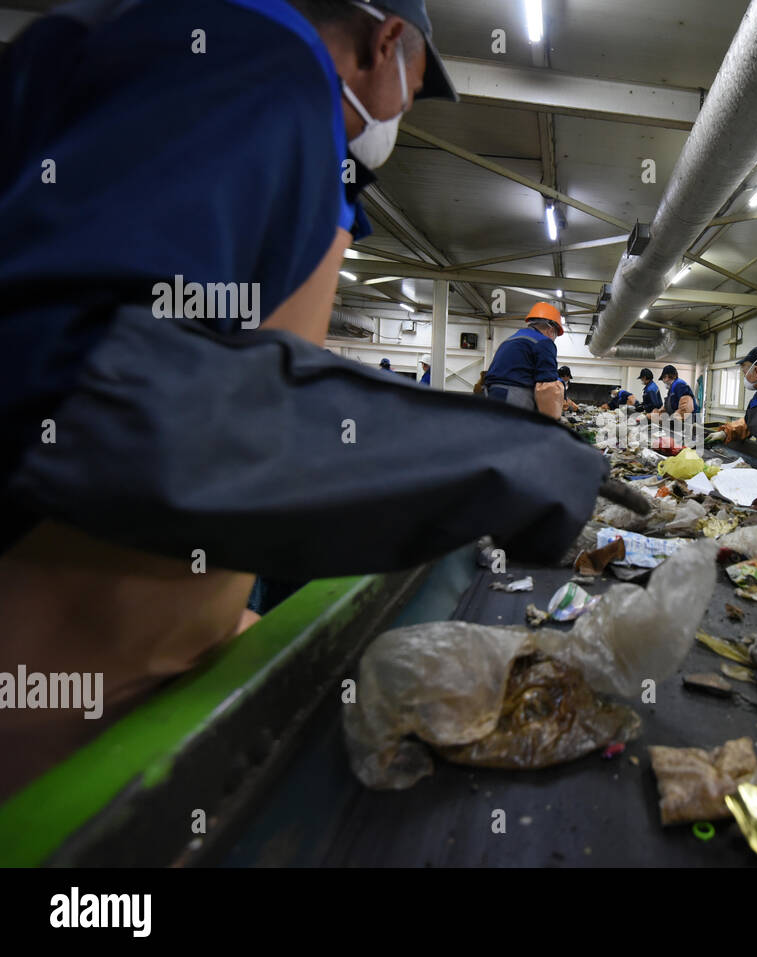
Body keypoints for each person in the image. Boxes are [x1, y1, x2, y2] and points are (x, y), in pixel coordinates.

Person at [0, 0, 607, 799]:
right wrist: (481, 457)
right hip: (46, 649)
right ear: (385, 42)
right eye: (413, 88)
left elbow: (233, 365)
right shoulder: (258, 69)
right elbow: (71, 379)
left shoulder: (262, 104)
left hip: (123, 643)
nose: (396, 117)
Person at [482, 302, 566, 419]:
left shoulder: (511, 340)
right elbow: (548, 385)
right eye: (556, 335)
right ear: (551, 330)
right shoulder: (543, 342)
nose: (554, 339)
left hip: (490, 395)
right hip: (515, 399)